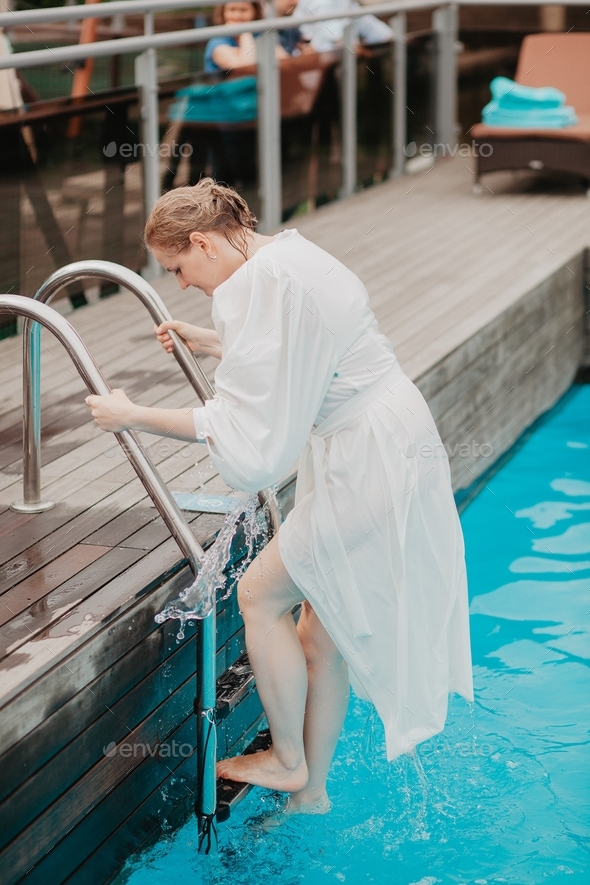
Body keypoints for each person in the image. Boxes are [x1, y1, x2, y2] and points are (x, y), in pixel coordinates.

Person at [86, 179, 473, 816]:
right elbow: (305, 348)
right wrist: (211, 343)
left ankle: (288, 759)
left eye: (179, 268)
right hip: (388, 438)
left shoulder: (252, 286)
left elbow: (245, 433)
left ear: (205, 243)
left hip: (365, 459)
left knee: (259, 593)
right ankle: (311, 788)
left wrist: (132, 414)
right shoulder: (289, 256)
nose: (182, 284)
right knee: (321, 623)